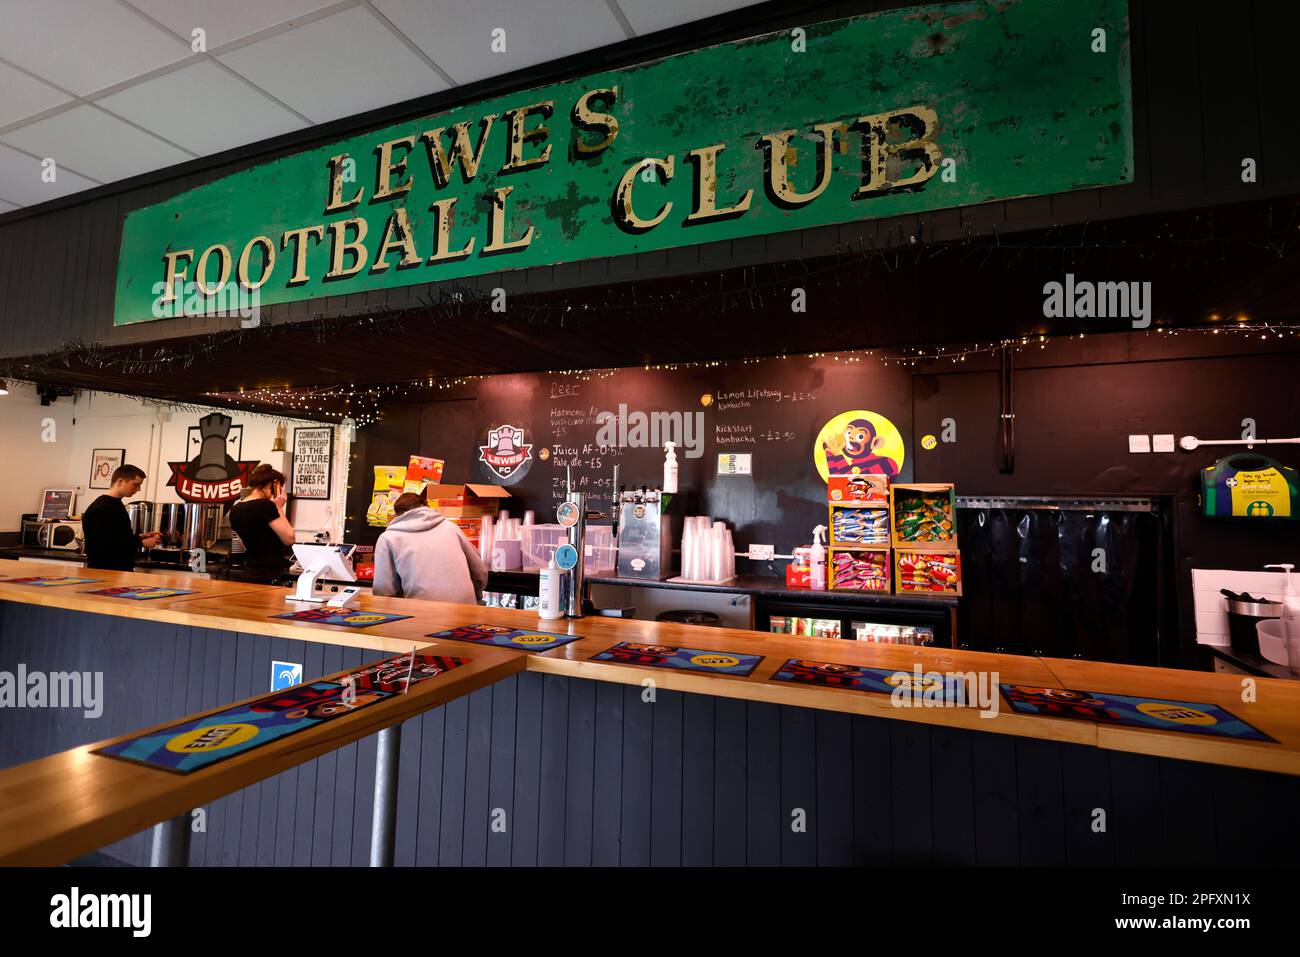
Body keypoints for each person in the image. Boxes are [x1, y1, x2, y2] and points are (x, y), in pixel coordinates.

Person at [372, 493, 487, 604]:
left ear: (397, 514)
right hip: (466, 611)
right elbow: (480, 572)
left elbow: (383, 591)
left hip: (424, 614)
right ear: (426, 506)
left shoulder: (388, 538)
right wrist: (475, 596)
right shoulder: (451, 527)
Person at [81, 464, 161, 570]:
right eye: (135, 484)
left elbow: (116, 537)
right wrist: (141, 543)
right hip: (105, 571)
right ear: (120, 482)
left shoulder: (115, 504)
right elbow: (105, 545)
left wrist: (141, 537)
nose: (138, 489)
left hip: (118, 570)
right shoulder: (102, 508)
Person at [229, 464, 295, 583]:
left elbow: (243, 544)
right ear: (274, 485)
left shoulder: (235, 509)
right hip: (269, 574)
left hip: (249, 571)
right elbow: (289, 539)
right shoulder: (267, 506)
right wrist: (278, 508)